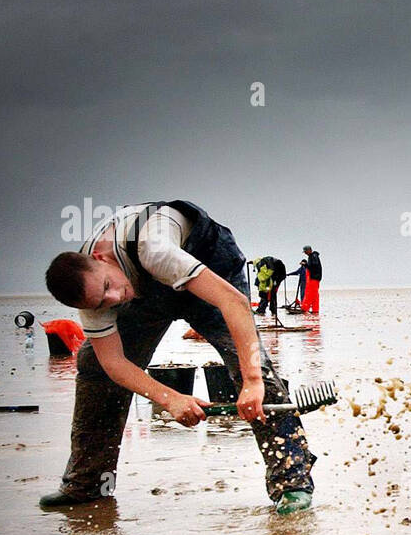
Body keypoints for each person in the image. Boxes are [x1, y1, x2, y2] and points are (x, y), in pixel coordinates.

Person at [40, 200, 317, 514]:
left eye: (108, 286)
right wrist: (169, 398)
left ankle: (292, 484)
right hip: (145, 293)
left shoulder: (153, 248)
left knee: (252, 366)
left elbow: (234, 302)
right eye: (101, 301)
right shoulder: (92, 290)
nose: (113, 298)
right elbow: (113, 363)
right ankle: (89, 483)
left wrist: (252, 381)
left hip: (210, 267)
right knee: (94, 368)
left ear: (100, 258)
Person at [302, 246, 322, 314]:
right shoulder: (313, 256)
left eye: (305, 251)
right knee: (314, 295)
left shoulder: (313, 256)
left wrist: (305, 265)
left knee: (310, 293)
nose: (305, 253)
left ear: (309, 250)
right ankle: (315, 310)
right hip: (315, 278)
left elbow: (314, 266)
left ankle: (305, 308)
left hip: (314, 278)